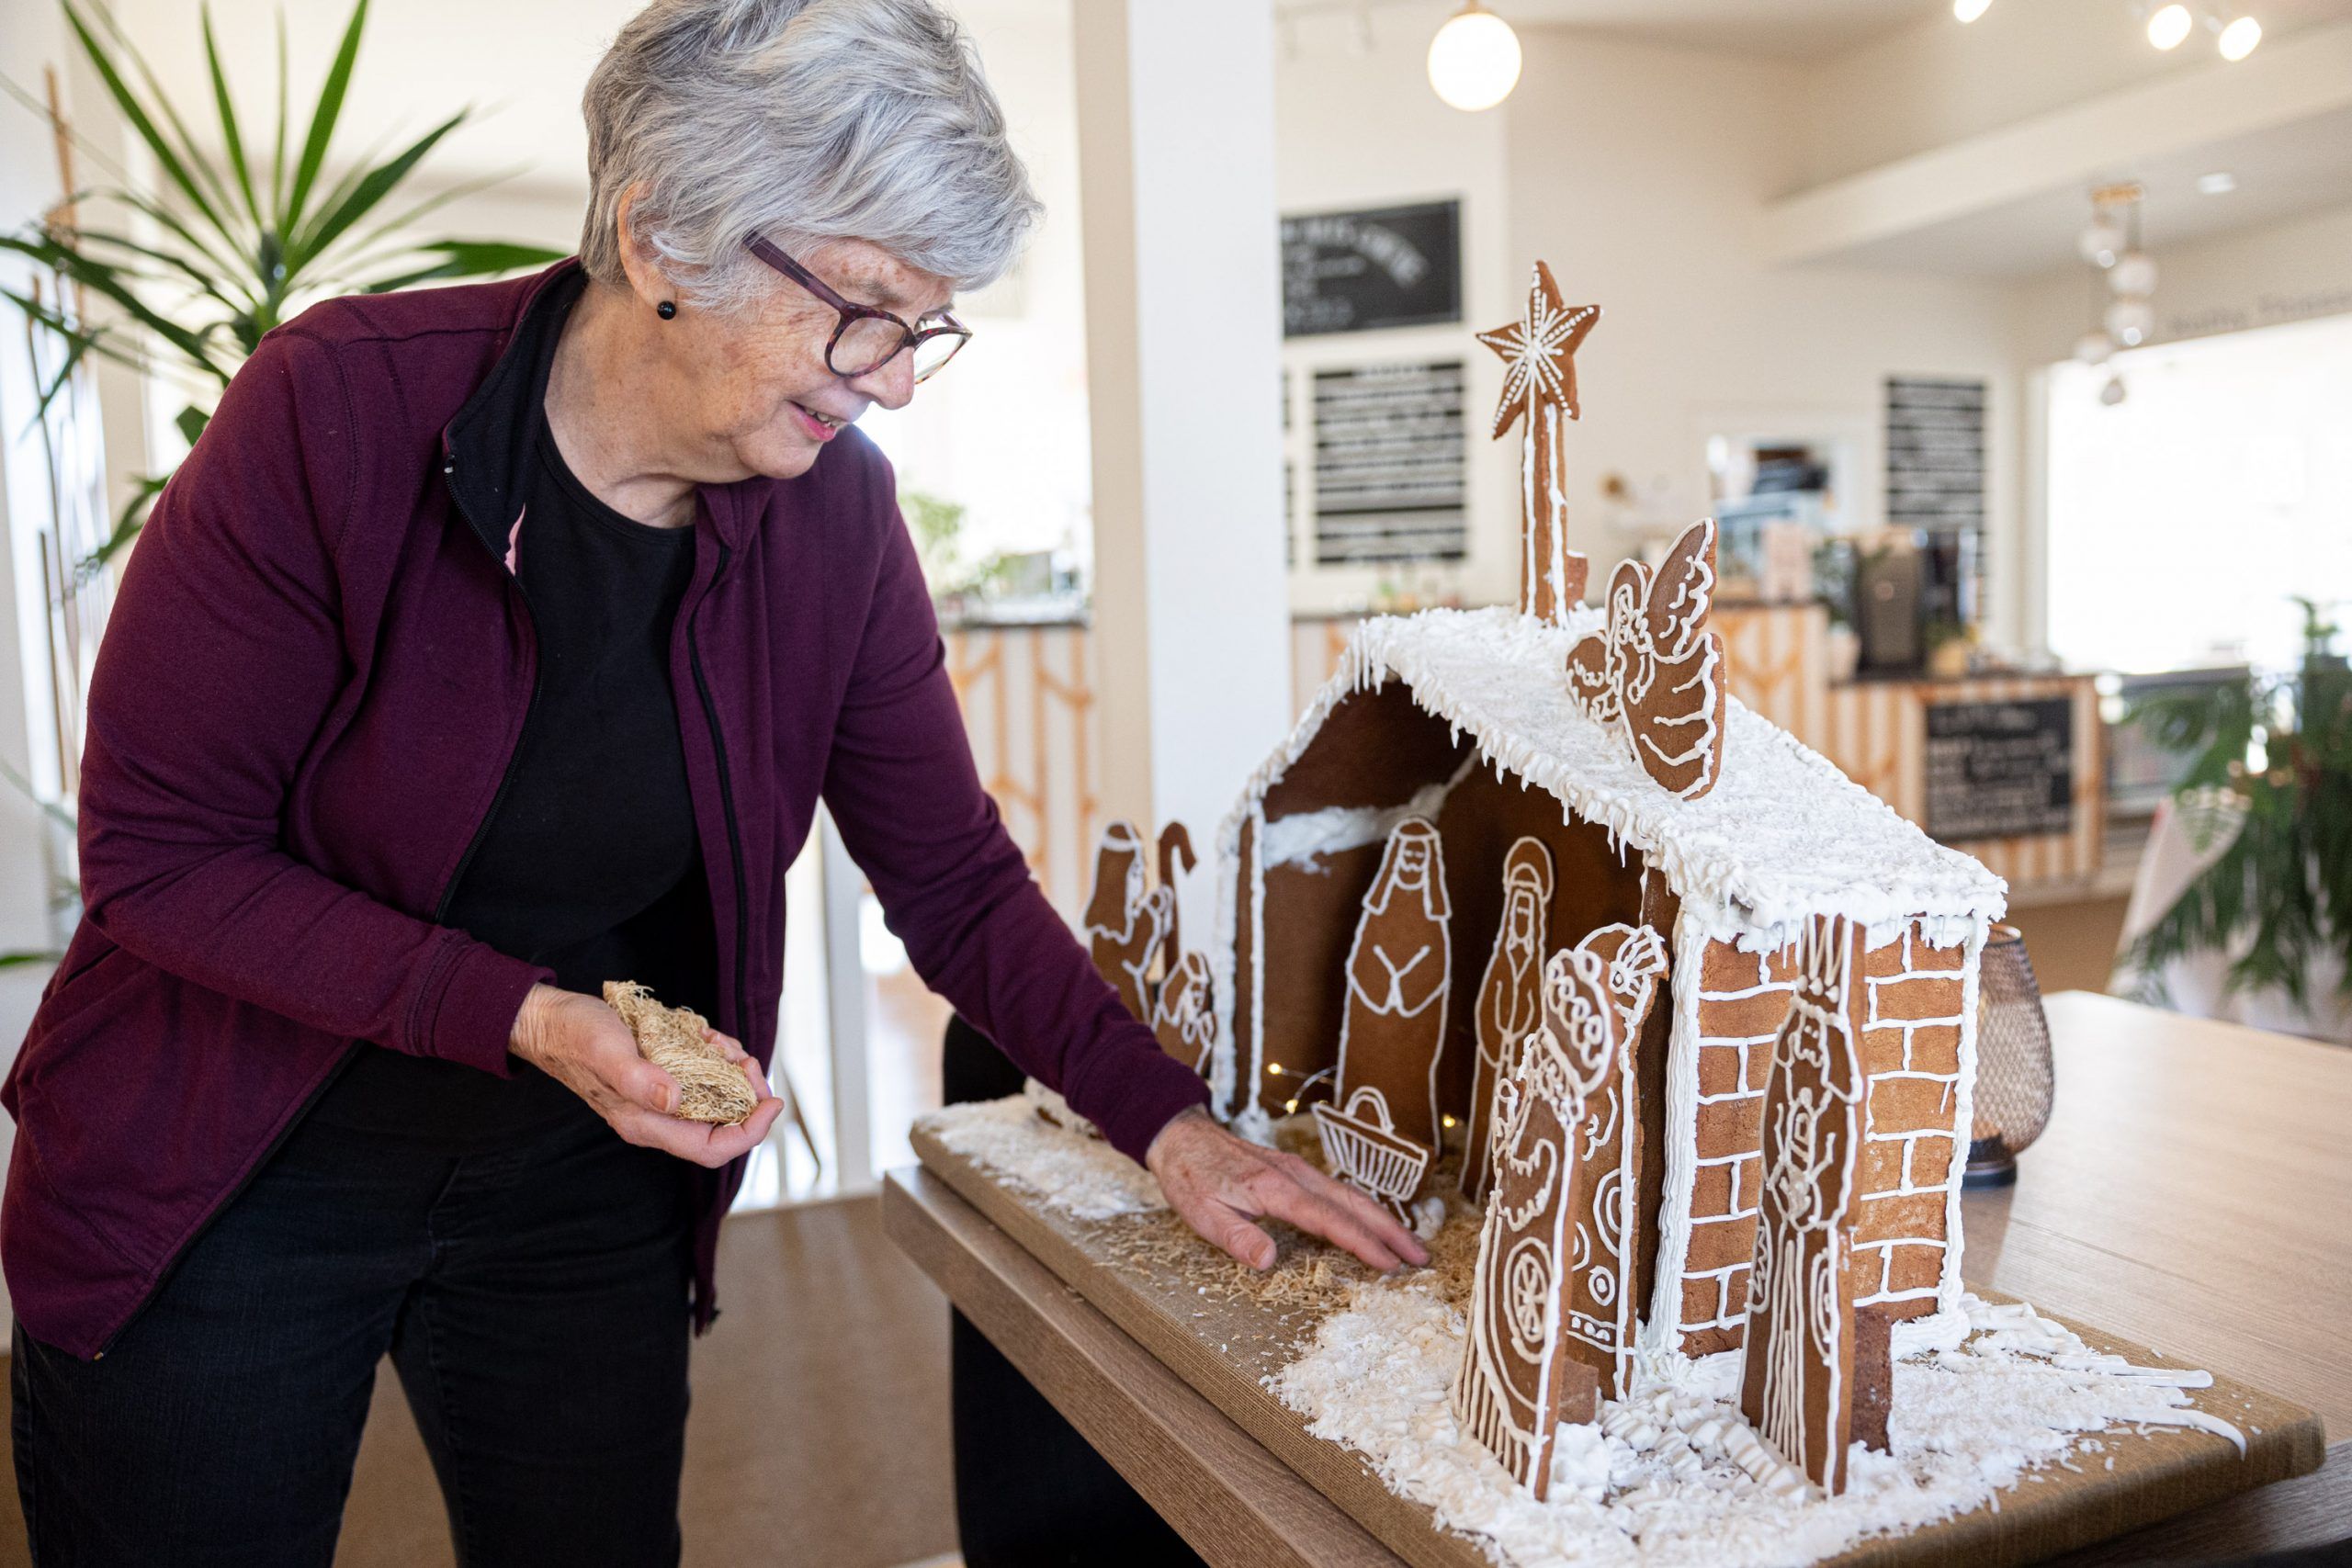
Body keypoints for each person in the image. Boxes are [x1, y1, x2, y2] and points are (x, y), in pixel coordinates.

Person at [0, 1, 1425, 1563]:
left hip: (573, 1184)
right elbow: (163, 857)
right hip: (231, 1162)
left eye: (921, 326)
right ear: (663, 235)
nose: (888, 380)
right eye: (863, 308)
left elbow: (950, 880)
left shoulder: (835, 522)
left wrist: (1172, 1127)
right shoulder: (337, 409)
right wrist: (527, 1017)